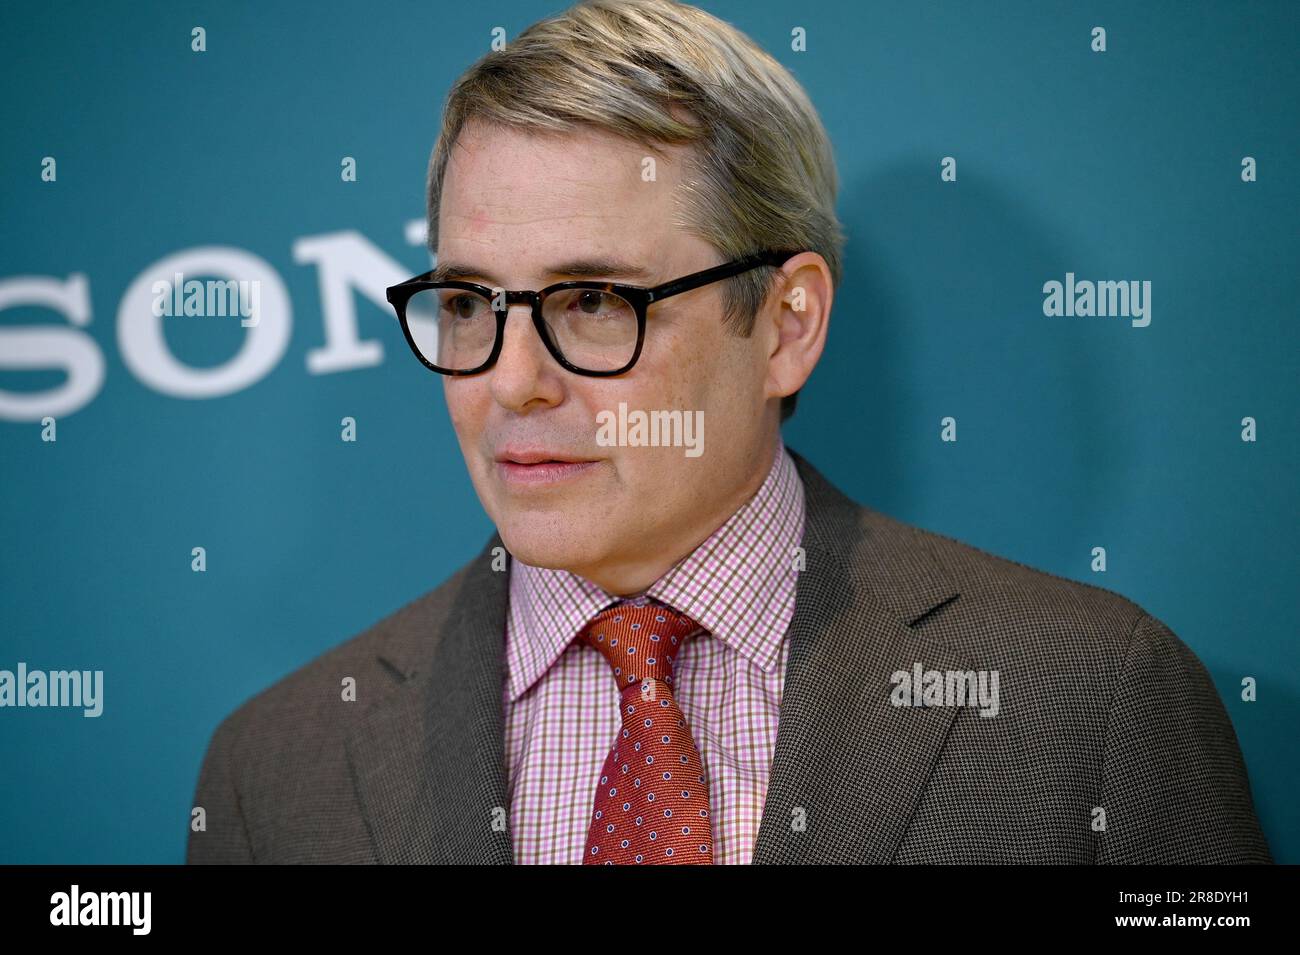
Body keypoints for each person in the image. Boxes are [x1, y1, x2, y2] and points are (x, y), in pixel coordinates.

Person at [187, 0, 1270, 864]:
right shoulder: (279, 766)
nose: (511, 382)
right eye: (471, 303)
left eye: (595, 302)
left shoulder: (1086, 697)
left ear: (787, 326)